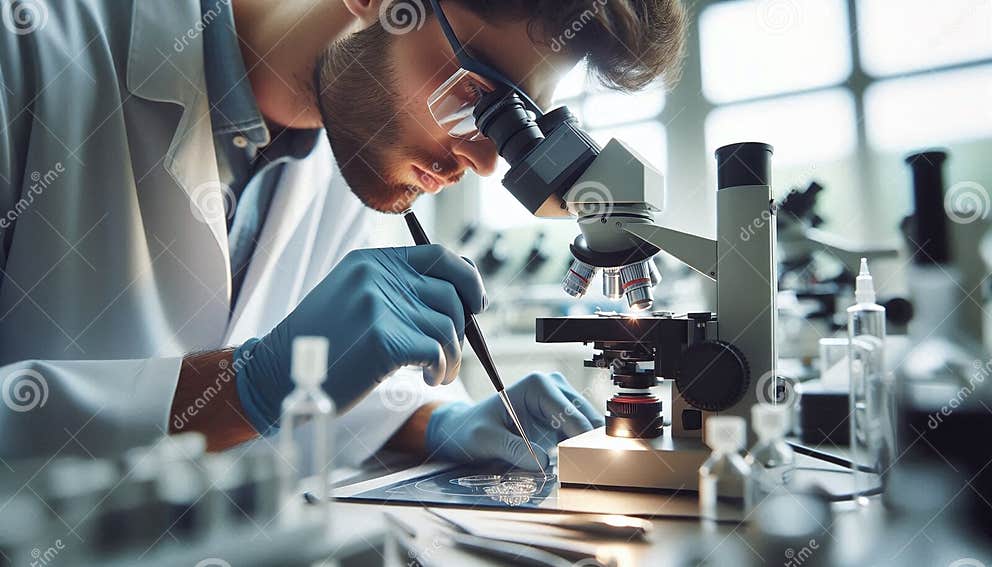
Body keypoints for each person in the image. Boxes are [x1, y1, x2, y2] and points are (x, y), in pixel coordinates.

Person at [0, 0, 686, 471]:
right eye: (481, 99)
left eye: (519, 120)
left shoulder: (352, 143)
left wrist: (437, 424)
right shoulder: (29, 46)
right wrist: (247, 385)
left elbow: (329, 411)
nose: (482, 159)